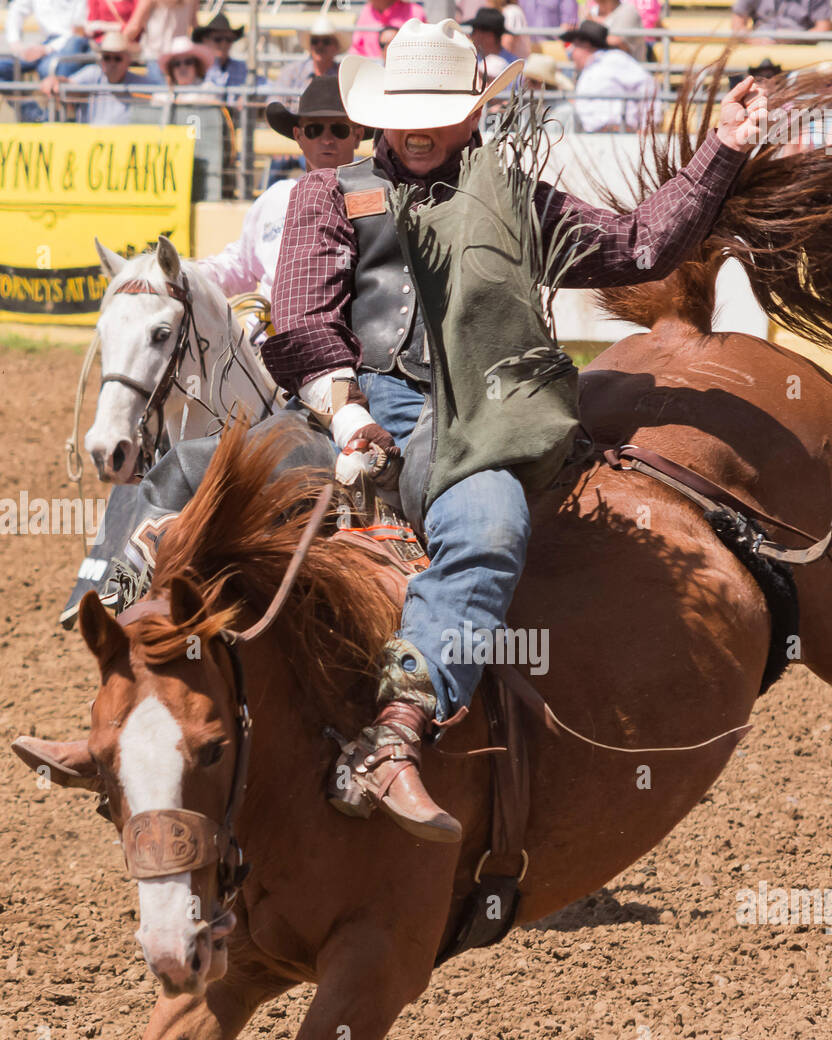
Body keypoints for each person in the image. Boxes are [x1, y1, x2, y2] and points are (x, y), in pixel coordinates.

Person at [251, 17, 763, 840]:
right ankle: (137, 671)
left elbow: (638, 248)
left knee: (487, 525)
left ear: (473, 114)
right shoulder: (330, 194)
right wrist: (348, 416)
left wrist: (722, 151)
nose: (415, 125)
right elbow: (304, 324)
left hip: (474, 419)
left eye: (435, 107)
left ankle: (398, 729)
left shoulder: (518, 199)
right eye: (402, 108)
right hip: (342, 405)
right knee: (201, 477)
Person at [197, 74, 362, 324]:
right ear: (298, 135)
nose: (327, 139)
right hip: (266, 343)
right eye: (314, 129)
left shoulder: (370, 199)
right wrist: (192, 274)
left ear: (357, 135)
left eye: (338, 129)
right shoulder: (276, 197)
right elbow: (242, 263)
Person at [37, 27, 158, 120]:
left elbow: (161, 97)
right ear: (101, 59)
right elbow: (69, 84)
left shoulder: (140, 83)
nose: (112, 63)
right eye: (107, 58)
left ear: (128, 61)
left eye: (117, 58)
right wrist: (56, 80)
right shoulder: (93, 74)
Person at [561, 18, 655, 132]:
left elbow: (647, 83)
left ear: (585, 45)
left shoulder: (613, 59)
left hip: (617, 132)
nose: (571, 54)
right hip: (594, 135)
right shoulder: (588, 71)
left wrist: (648, 126)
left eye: (574, 47)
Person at [0, 0, 89, 107]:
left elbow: (79, 31)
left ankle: (53, 117)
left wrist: (46, 49)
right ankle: (33, 115)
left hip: (71, 44)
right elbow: (16, 10)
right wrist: (16, 44)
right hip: (46, 44)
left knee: (50, 70)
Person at [272, 17, 340, 95]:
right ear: (310, 45)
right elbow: (275, 100)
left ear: (336, 46)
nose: (320, 46)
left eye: (326, 41)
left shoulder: (342, 76)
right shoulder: (291, 72)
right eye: (315, 41)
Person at [349, 0, 426, 58]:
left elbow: (424, 50)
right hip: (370, 73)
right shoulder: (366, 11)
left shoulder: (415, 11)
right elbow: (356, 49)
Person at [193, 10, 247, 91]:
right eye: (218, 39)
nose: (224, 44)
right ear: (204, 40)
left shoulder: (241, 68)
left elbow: (264, 86)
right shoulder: (192, 66)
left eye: (228, 39)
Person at [152, 32, 212, 101]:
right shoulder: (161, 95)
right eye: (177, 64)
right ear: (171, 69)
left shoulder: (207, 90)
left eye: (188, 62)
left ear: (196, 66)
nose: (183, 67)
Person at [731, 0, 832, 35]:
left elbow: (824, 28)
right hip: (759, 50)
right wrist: (753, 39)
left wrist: (796, 37)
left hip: (799, 51)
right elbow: (737, 22)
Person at [469, 7, 518, 78]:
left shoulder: (514, 67)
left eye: (474, 31)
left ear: (489, 36)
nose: (471, 36)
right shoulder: (514, 65)